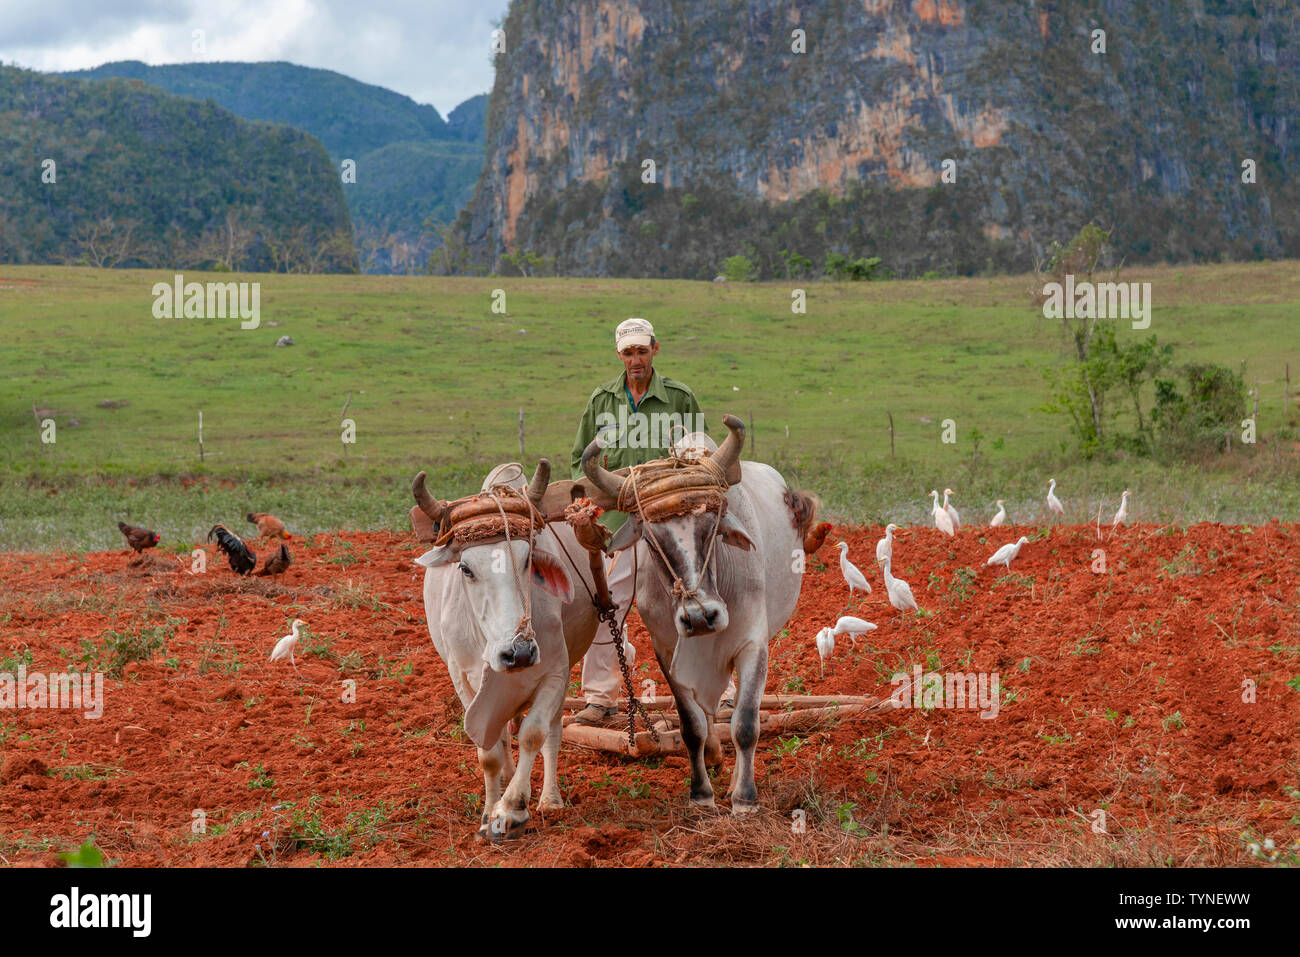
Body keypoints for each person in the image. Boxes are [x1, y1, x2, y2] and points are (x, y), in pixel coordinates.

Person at [569, 318, 712, 725]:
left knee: (692, 598)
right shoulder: (601, 401)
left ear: (655, 349)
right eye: (628, 352)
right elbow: (579, 458)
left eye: (642, 351)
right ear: (619, 354)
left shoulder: (680, 398)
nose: (636, 359)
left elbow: (701, 456)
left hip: (671, 524)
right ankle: (600, 698)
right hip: (619, 525)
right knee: (606, 605)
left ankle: (718, 692)